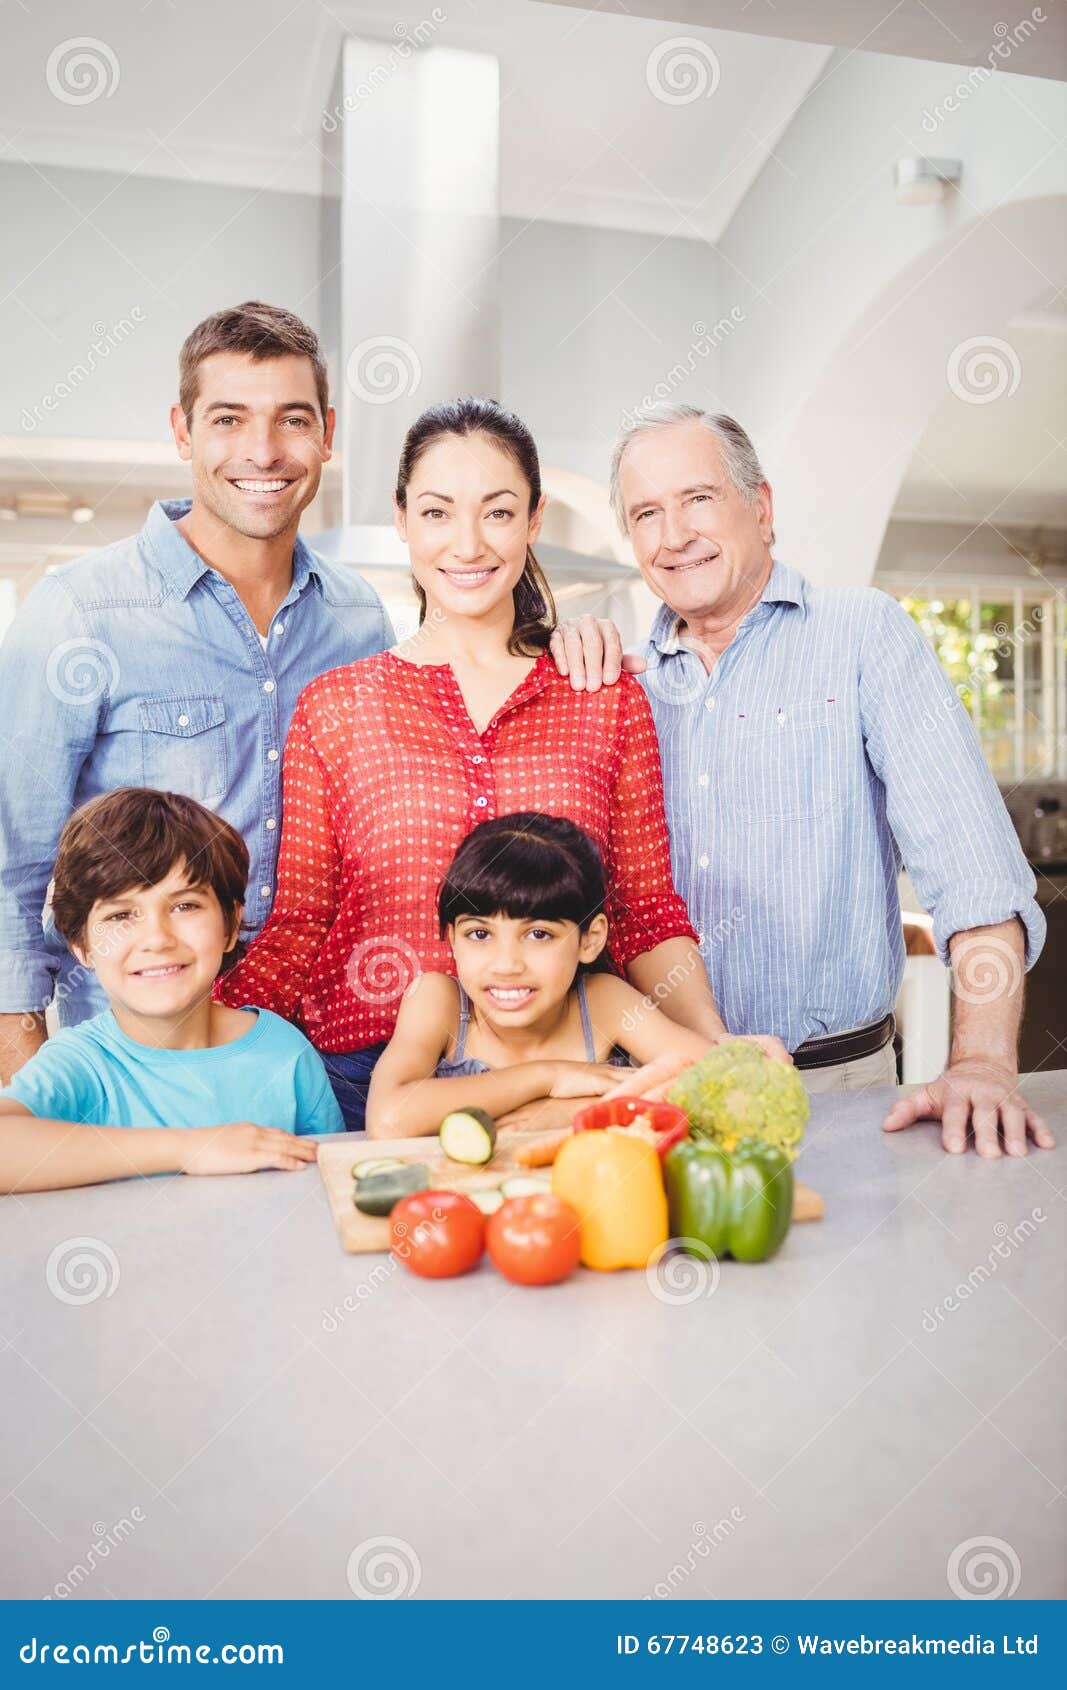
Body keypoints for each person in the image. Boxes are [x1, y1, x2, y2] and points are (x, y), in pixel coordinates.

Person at [0, 304, 614, 1086]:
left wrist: (558, 642)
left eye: (290, 421)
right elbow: (10, 875)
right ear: (182, 432)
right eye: (228, 418)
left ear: (325, 434)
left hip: (314, 1049)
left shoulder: (358, 619)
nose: (262, 451)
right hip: (143, 1047)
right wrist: (25, 1094)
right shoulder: (80, 612)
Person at [218, 398, 783, 1129]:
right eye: (436, 512)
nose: (467, 544)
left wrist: (712, 1046)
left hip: (575, 1086)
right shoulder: (336, 707)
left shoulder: (601, 694)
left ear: (533, 521)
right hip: (370, 1086)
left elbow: (642, 913)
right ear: (401, 520)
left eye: (497, 511)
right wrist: (189, 1043)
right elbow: (300, 923)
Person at [606, 402, 1052, 1158]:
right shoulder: (618, 680)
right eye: (646, 513)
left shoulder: (862, 635)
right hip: (650, 1092)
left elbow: (975, 877)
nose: (672, 535)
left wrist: (980, 1062)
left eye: (697, 500)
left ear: (761, 506)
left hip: (836, 1094)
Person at [0, 787, 341, 1194]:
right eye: (122, 915)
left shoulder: (286, 1053)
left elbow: (326, 1191)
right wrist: (191, 1149)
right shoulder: (82, 1064)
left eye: (185, 906)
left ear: (231, 924)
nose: (156, 938)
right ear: (82, 945)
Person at [366, 813, 719, 1137]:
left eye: (538, 934)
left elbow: (721, 1085)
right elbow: (387, 1120)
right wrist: (548, 1076)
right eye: (479, 934)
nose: (506, 965)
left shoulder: (603, 1002)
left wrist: (572, 1110)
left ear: (589, 940)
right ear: (452, 939)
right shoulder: (437, 1000)